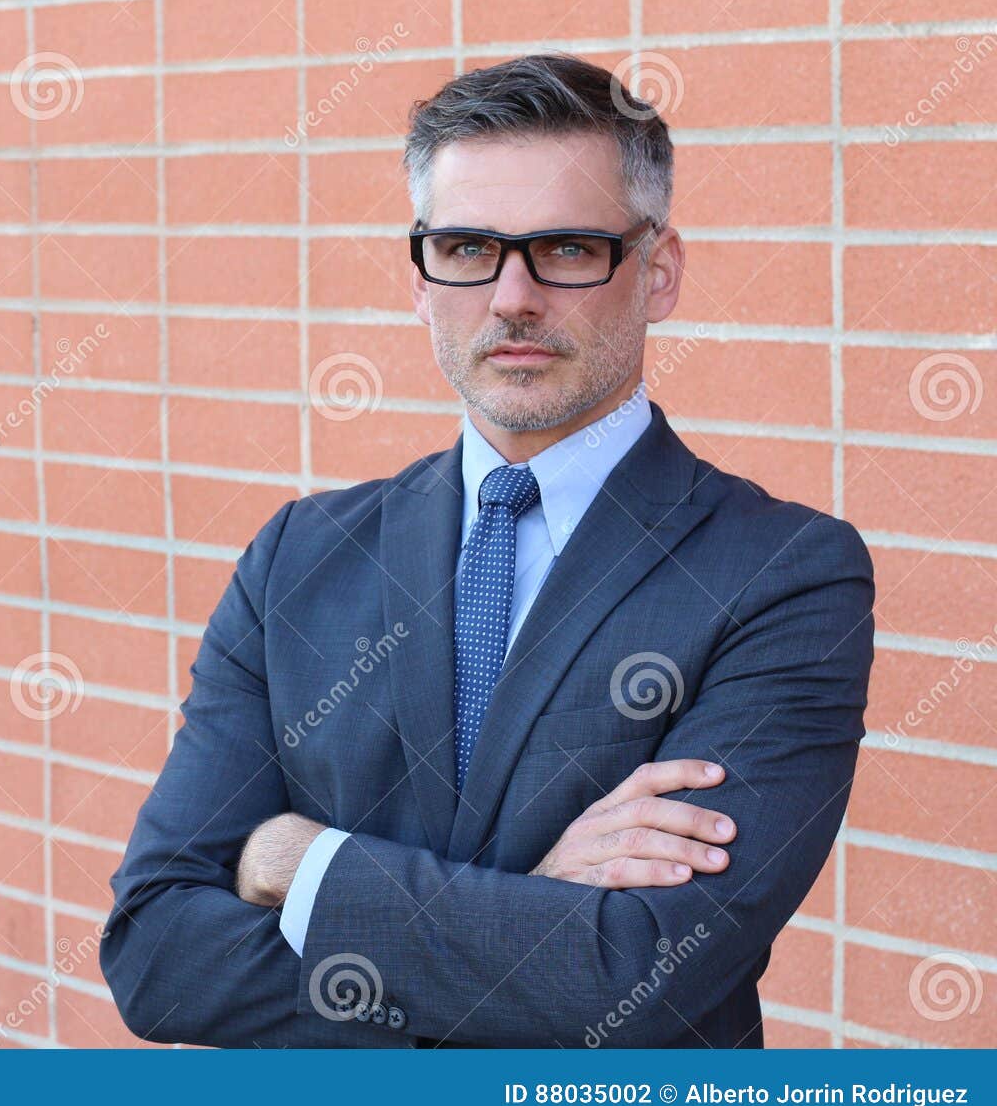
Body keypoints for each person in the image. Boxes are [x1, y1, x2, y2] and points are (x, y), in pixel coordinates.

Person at [100, 53, 874, 1048]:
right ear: (420, 279)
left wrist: (306, 861)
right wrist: (528, 924)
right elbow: (158, 956)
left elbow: (634, 978)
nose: (512, 296)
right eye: (466, 247)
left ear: (660, 272)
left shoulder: (781, 575)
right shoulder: (300, 556)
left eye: (565, 247)